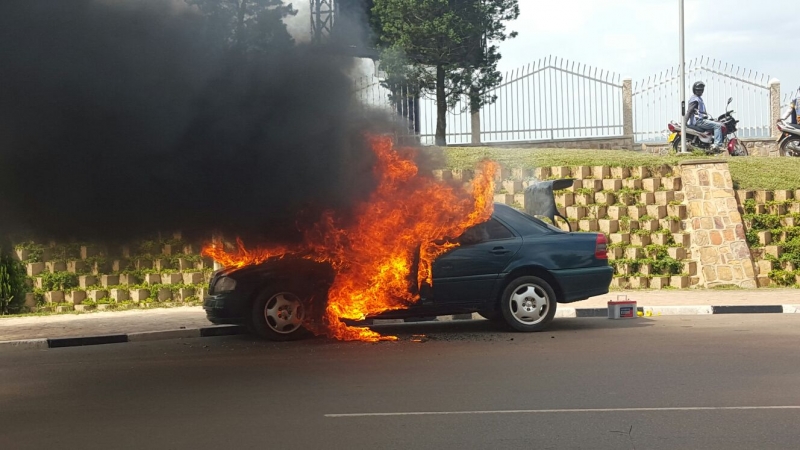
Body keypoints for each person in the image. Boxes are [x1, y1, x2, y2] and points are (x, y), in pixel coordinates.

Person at [684, 81, 724, 151]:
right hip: (699, 121)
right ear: (694, 90)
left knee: (714, 123)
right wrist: (684, 122)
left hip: (700, 120)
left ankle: (709, 143)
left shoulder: (698, 98)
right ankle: (717, 145)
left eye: (701, 90)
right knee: (718, 126)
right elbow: (689, 111)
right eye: (698, 90)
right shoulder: (695, 99)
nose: (700, 91)